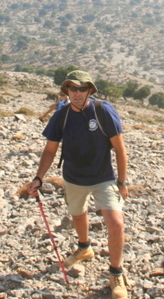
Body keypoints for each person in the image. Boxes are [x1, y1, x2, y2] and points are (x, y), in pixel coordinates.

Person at [26, 70, 130, 299]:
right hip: (73, 177)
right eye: (73, 88)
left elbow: (120, 149)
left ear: (90, 91)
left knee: (115, 223)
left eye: (82, 89)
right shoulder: (61, 115)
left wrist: (122, 182)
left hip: (103, 177)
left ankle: (116, 273)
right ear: (67, 91)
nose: (78, 93)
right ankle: (84, 248)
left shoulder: (102, 110)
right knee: (77, 213)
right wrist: (38, 177)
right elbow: (50, 150)